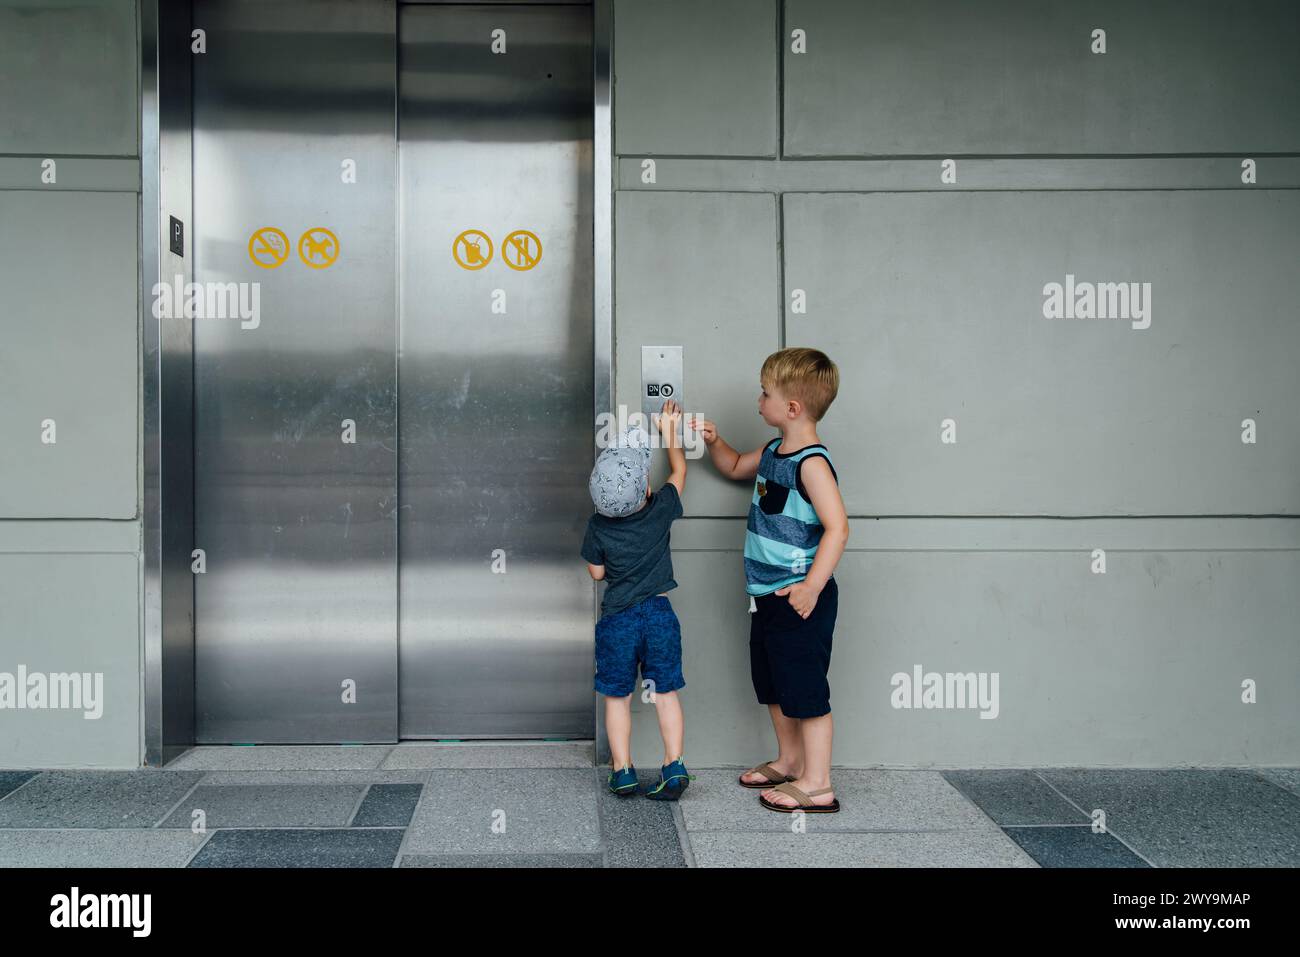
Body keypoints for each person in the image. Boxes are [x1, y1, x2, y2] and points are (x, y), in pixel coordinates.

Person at [694, 347, 848, 813]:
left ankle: (818, 783)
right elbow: (735, 466)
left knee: (805, 689)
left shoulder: (812, 464)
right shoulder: (770, 452)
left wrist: (811, 587)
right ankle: (790, 759)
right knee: (774, 683)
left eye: (766, 393)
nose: (758, 400)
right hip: (765, 595)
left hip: (800, 596)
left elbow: (838, 527)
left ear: (792, 408)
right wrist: (714, 441)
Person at [582, 399, 692, 800]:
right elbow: (679, 471)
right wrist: (669, 430)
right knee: (665, 693)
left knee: (617, 696)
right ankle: (674, 764)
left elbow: (596, 573)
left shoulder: (597, 526)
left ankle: (623, 769)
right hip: (659, 615)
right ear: (646, 487)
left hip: (618, 620)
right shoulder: (661, 508)